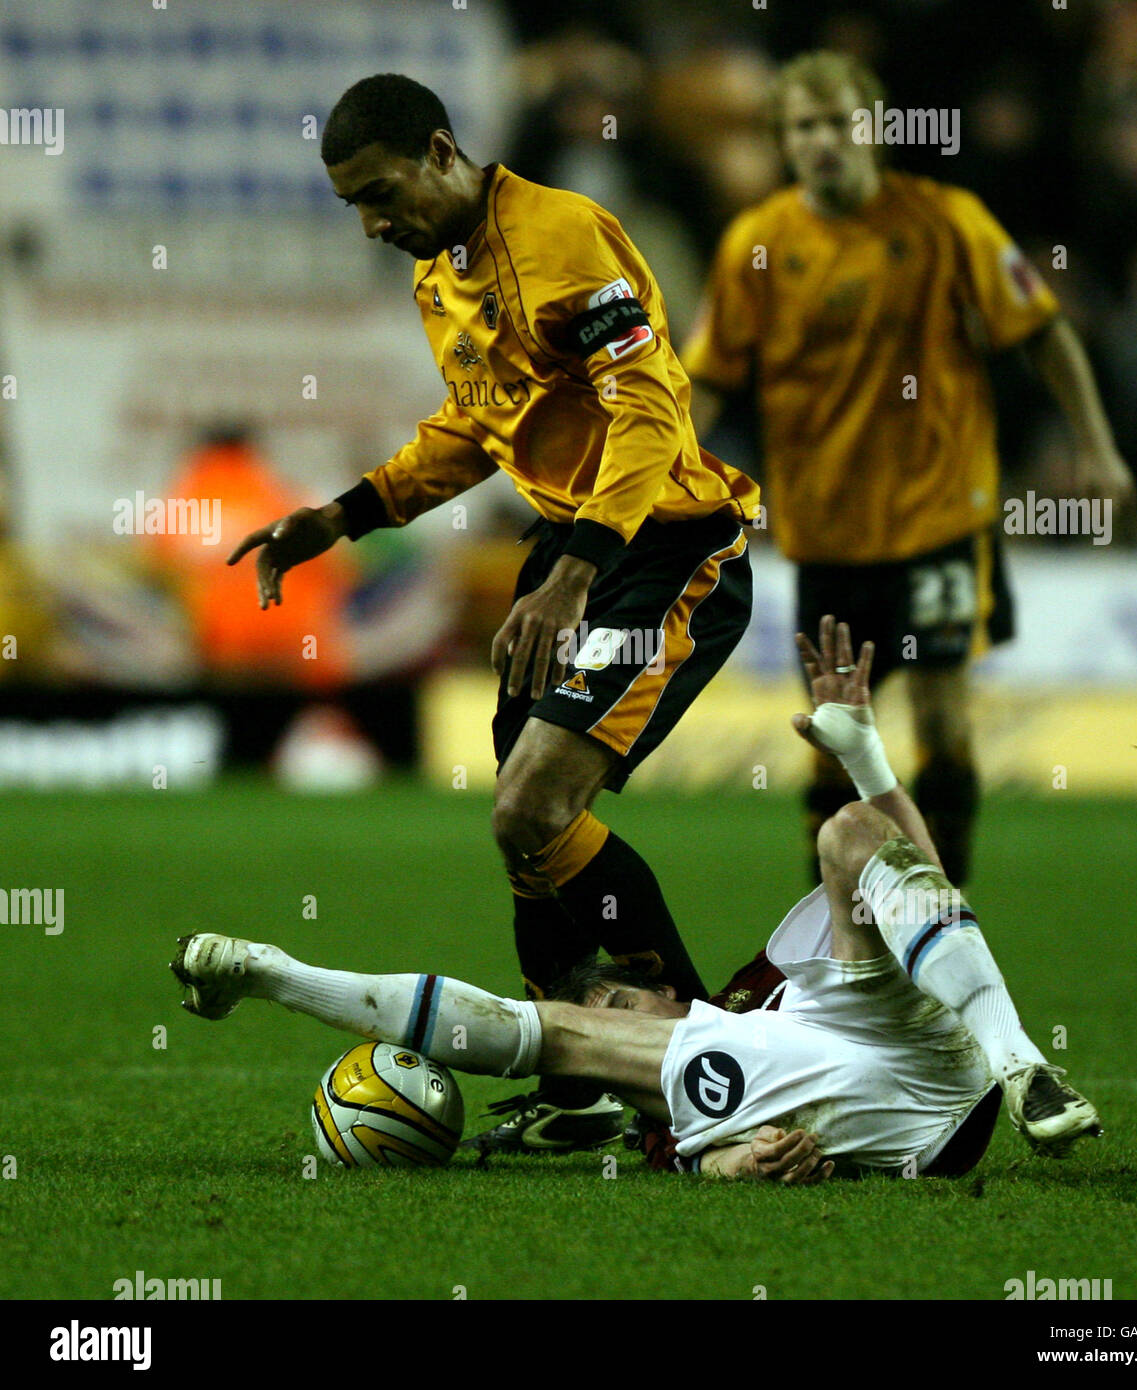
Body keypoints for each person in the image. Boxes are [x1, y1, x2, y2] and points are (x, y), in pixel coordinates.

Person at [226, 75, 759, 1154]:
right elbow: (475, 429)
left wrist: (578, 572)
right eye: (355, 209)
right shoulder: (444, 274)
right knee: (526, 831)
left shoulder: (560, 238)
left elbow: (649, 408)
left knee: (528, 808)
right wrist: (343, 514)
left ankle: (718, 1072)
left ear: (438, 150)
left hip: (662, 551)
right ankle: (582, 1078)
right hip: (576, 551)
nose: (375, 225)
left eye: (382, 194)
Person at [172, 616, 1102, 1182]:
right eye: (611, 1006)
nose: (621, 1008)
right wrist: (745, 1163)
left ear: (661, 985)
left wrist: (864, 758)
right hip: (904, 1124)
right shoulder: (678, 1089)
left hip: (927, 1050)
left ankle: (1021, 1062)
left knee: (851, 836)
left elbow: (916, 869)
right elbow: (713, 1159)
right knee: (551, 1033)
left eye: (618, 994)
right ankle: (273, 971)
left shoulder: (760, 984)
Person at [683, 50, 1135, 886]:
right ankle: (833, 937)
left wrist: (1096, 444)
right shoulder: (758, 244)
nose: (826, 140)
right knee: (829, 739)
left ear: (876, 128)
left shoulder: (946, 222)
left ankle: (949, 915)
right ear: (785, 143)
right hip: (826, 533)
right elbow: (706, 376)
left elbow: (1041, 328)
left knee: (942, 717)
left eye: (842, 121)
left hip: (936, 518)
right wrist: (663, 478)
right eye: (805, 126)